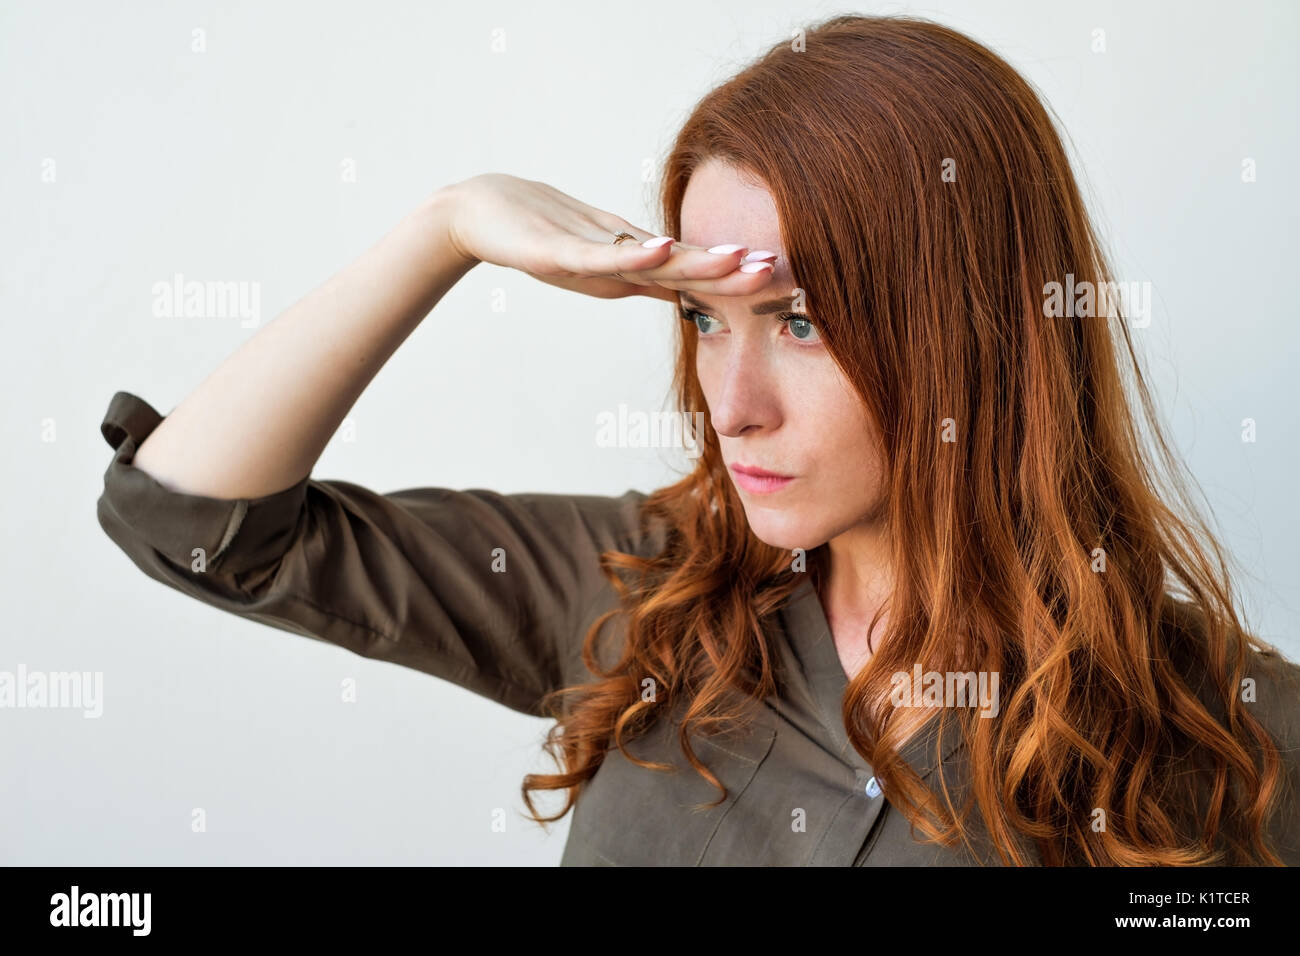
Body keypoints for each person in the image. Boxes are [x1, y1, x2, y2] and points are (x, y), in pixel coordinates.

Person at [97, 13, 1300, 866]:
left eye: (803, 321)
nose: (732, 405)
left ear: (975, 332)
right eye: (701, 318)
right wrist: (445, 227)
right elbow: (195, 522)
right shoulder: (636, 585)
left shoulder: (1231, 728)